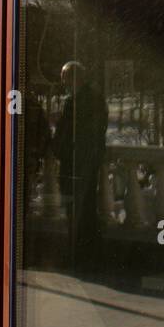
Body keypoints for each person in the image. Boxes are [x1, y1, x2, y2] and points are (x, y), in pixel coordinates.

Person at [54, 60, 108, 274]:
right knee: (85, 209)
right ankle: (86, 255)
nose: (63, 82)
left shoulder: (78, 101)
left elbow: (72, 132)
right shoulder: (92, 99)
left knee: (77, 210)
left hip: (77, 161)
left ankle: (79, 255)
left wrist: (60, 145)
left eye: (65, 77)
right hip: (85, 160)